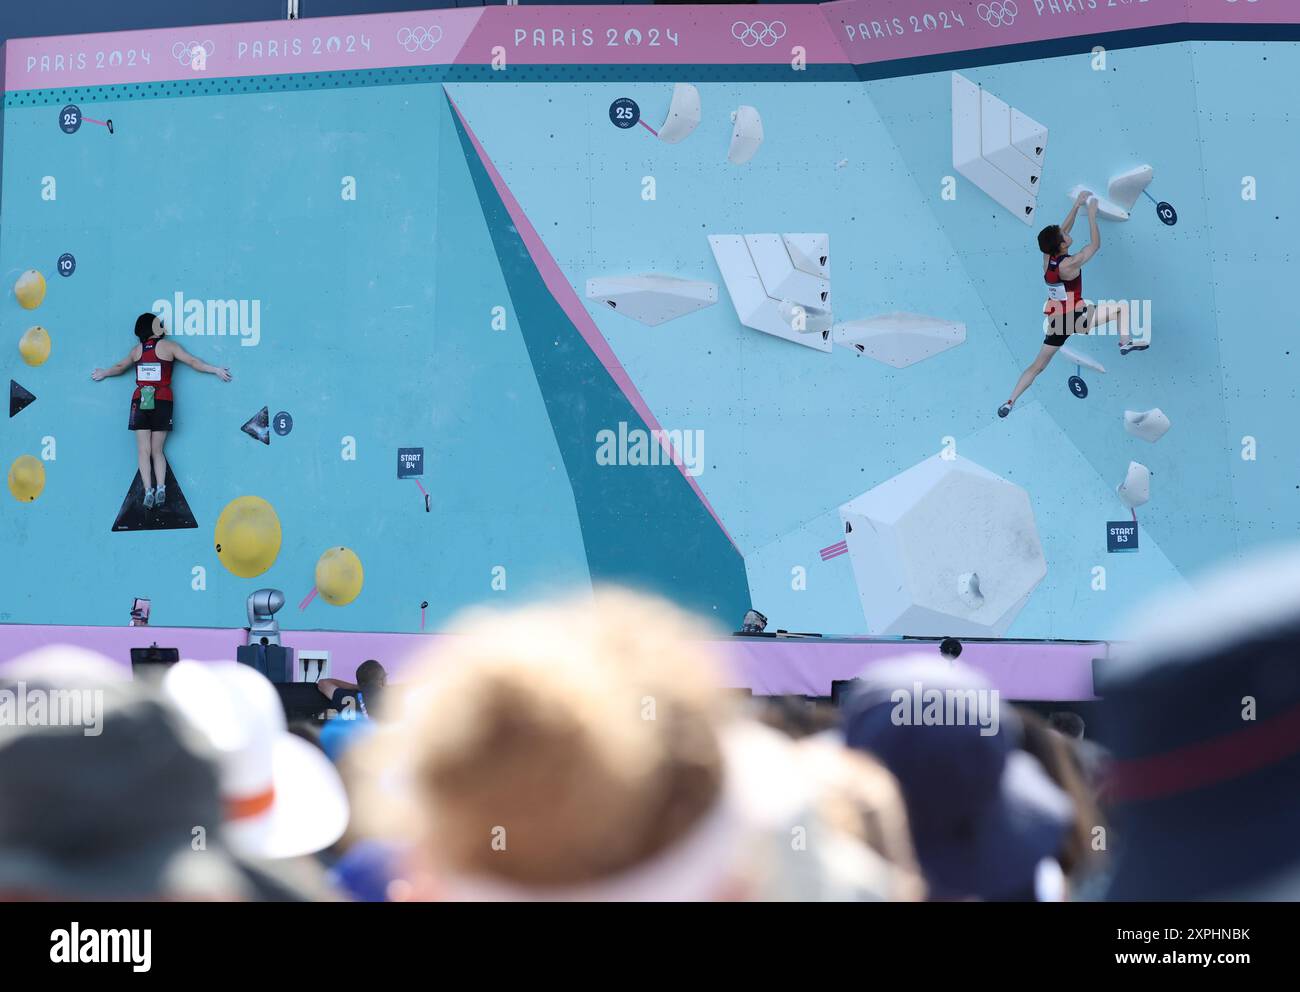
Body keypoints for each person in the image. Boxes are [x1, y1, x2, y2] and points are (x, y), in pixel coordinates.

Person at [998, 191, 1147, 418]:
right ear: (1061, 245)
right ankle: (1125, 343)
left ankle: (1010, 401)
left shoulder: (1048, 259)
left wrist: (1077, 206)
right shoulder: (1071, 263)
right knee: (1121, 309)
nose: (1067, 233)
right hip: (1076, 319)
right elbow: (1095, 245)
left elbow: (1062, 230)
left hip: (1056, 322)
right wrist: (1092, 215)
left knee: (1037, 367)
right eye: (1064, 236)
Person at [91, 312, 232, 508]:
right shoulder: (169, 347)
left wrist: (103, 373)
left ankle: (148, 489)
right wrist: (216, 369)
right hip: (163, 400)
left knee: (143, 450)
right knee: (158, 450)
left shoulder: (137, 350)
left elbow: (120, 366)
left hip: (141, 400)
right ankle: (161, 488)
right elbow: (193, 362)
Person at [318, 659, 387, 721]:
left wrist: (357, 687)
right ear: (382, 680)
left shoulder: (348, 697)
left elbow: (323, 683)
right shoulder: (391, 698)